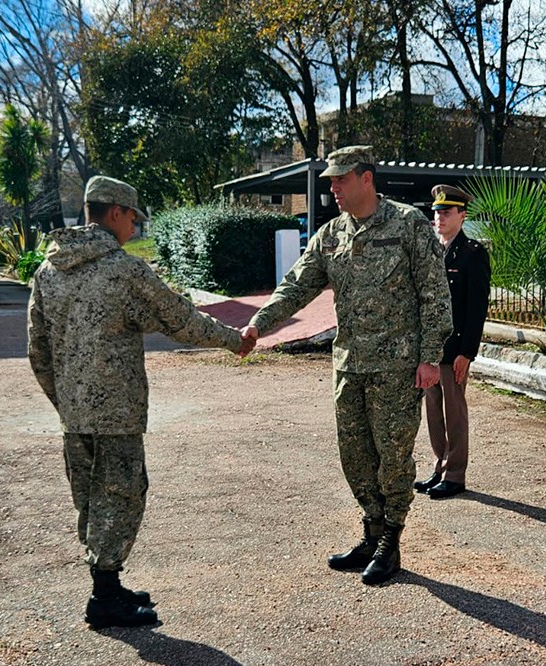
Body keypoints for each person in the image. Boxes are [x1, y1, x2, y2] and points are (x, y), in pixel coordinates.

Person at [28, 175, 252, 629]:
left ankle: (107, 585)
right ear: (115, 213)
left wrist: (64, 401)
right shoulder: (123, 270)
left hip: (74, 414)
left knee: (90, 498)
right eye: (132, 218)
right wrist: (234, 341)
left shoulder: (48, 271)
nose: (134, 227)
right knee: (122, 495)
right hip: (117, 412)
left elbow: (38, 350)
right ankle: (104, 598)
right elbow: (179, 319)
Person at [239, 146, 452, 586]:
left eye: (340, 179)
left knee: (392, 456)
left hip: (396, 367)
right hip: (350, 364)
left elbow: (435, 294)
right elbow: (297, 285)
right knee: (354, 455)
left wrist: (431, 358)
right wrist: (259, 324)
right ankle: (371, 532)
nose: (333, 187)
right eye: (331, 180)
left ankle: (391, 540)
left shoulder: (408, 224)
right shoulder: (331, 234)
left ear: (365, 178)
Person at [414, 184, 491, 500]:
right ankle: (440, 467)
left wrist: (467, 353)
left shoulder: (473, 254)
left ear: (463, 215)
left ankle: (455, 475)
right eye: (436, 213)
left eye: (446, 212)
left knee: (454, 412)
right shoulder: (432, 251)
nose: (440, 218)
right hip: (430, 350)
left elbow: (476, 308)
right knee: (434, 410)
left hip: (455, 349)